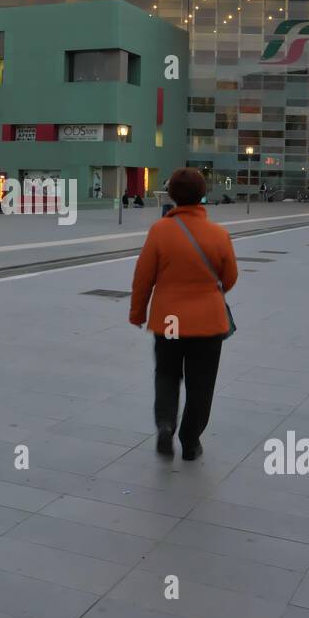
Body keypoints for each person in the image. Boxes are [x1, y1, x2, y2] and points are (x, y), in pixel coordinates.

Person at [130, 167, 237, 462]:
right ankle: (190, 441)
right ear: (202, 195)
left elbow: (143, 276)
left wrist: (138, 312)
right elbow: (230, 278)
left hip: (169, 322)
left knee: (166, 374)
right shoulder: (218, 234)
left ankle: (165, 425)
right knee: (201, 383)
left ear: (172, 195)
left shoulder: (160, 231)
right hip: (208, 324)